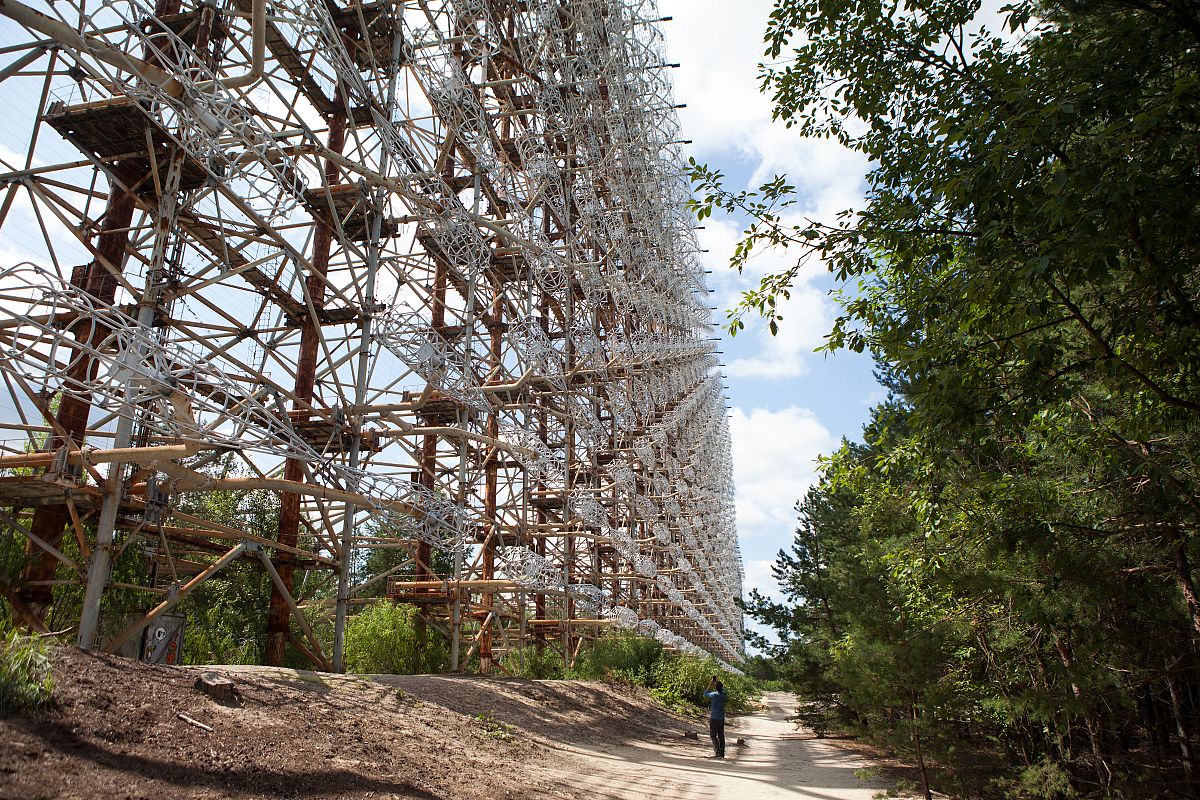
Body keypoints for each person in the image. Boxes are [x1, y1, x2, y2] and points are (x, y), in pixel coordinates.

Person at [703, 676, 727, 759]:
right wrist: (717, 684)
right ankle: (722, 752)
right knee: (721, 735)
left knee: (713, 735)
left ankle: (717, 751)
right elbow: (723, 690)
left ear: (715, 688)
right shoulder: (724, 694)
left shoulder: (714, 695)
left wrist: (710, 685)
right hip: (721, 717)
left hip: (714, 718)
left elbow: (705, 694)